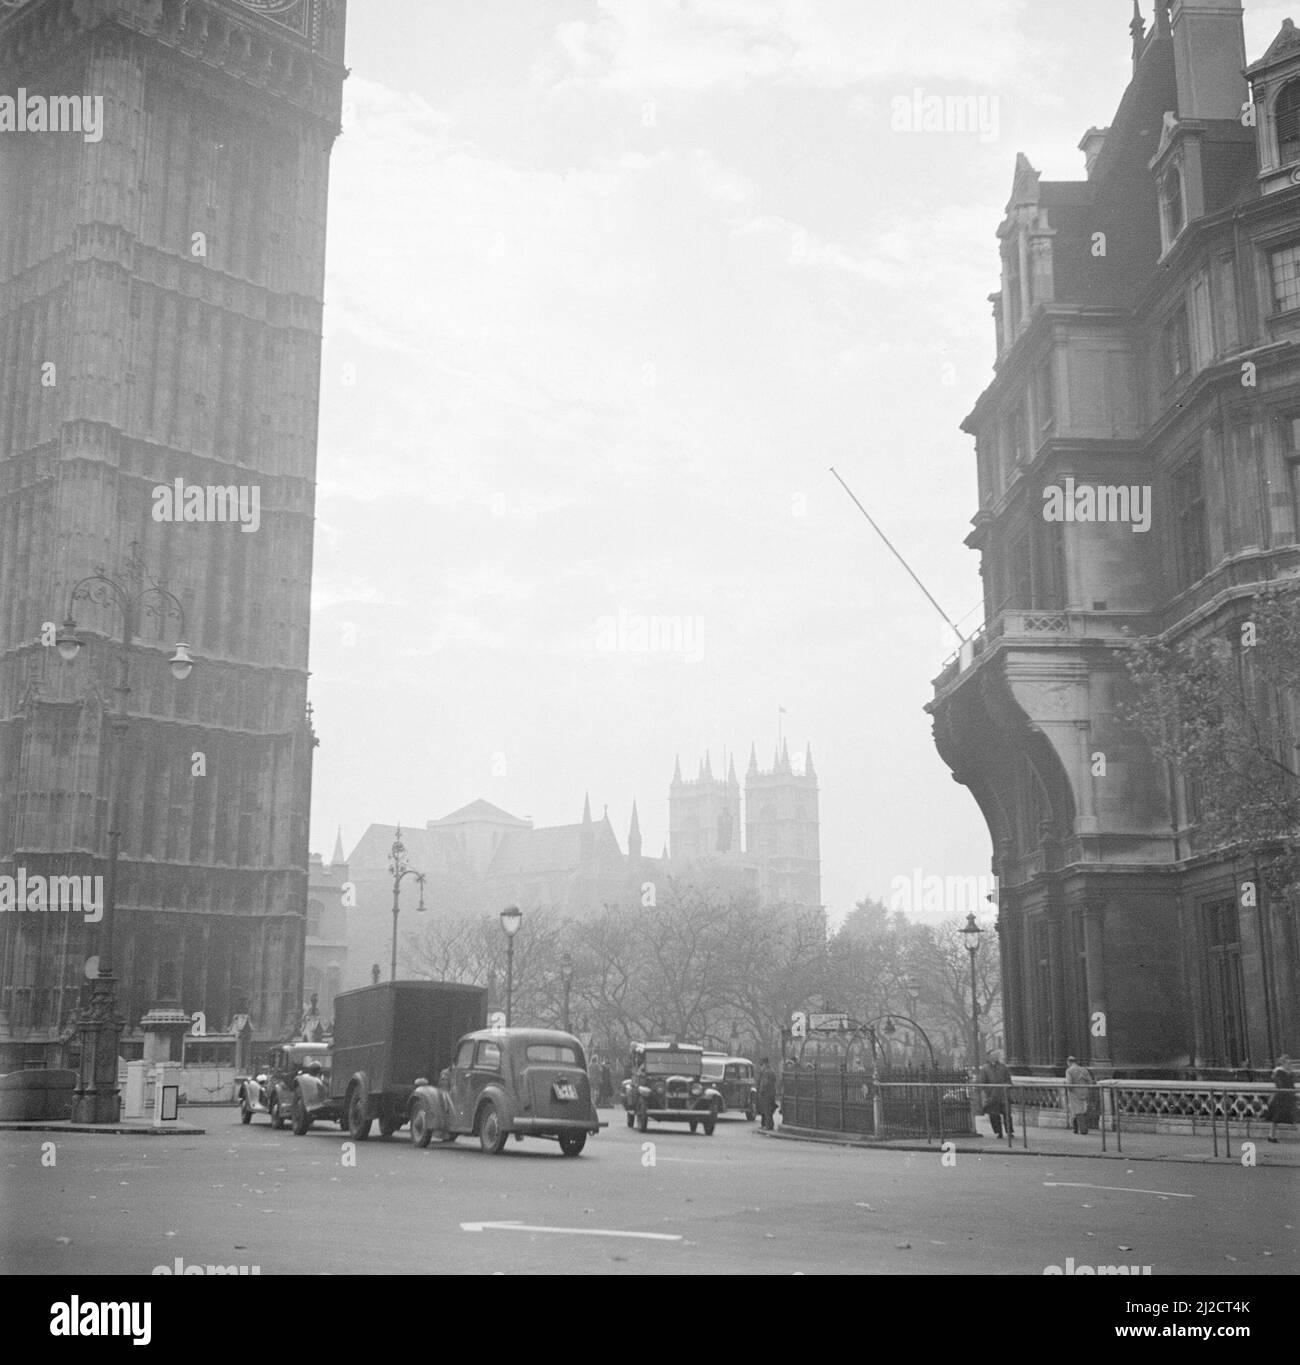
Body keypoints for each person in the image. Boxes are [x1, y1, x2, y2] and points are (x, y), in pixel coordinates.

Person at [979, 1052, 1014, 1139]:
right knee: (994, 1115)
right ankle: (998, 1132)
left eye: (996, 1056)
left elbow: (1008, 1080)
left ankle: (1009, 1131)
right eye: (993, 1056)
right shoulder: (985, 1069)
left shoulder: (1003, 1067)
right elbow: (983, 1083)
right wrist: (988, 1092)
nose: (995, 1057)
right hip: (992, 1096)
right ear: (989, 1057)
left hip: (1003, 1095)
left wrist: (1006, 1088)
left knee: (1007, 1114)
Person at [1267, 1055, 1295, 1144]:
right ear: (1283, 1063)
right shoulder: (1280, 1072)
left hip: (1283, 1097)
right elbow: (1283, 1085)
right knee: (1276, 1117)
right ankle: (1271, 1136)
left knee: (1276, 1118)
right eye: (1288, 1063)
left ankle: (1271, 1135)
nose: (1289, 1064)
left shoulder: (1283, 1072)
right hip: (1281, 1098)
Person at [1064, 1055, 1094, 1135]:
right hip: (1084, 1091)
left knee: (1076, 1111)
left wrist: (1069, 1090)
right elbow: (1090, 1081)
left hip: (1075, 1092)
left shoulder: (1069, 1070)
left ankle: (1081, 1129)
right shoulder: (1083, 1069)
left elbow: (1069, 1083)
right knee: (1083, 1110)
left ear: (1068, 1062)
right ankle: (1076, 1128)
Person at [757, 1057, 778, 1131]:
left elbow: (764, 1083)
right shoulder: (771, 1070)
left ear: (765, 1064)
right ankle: (769, 1125)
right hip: (771, 1093)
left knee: (767, 1110)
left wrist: (761, 1091)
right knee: (768, 1110)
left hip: (766, 1094)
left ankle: (768, 1125)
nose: (761, 1066)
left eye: (762, 1064)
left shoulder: (766, 1072)